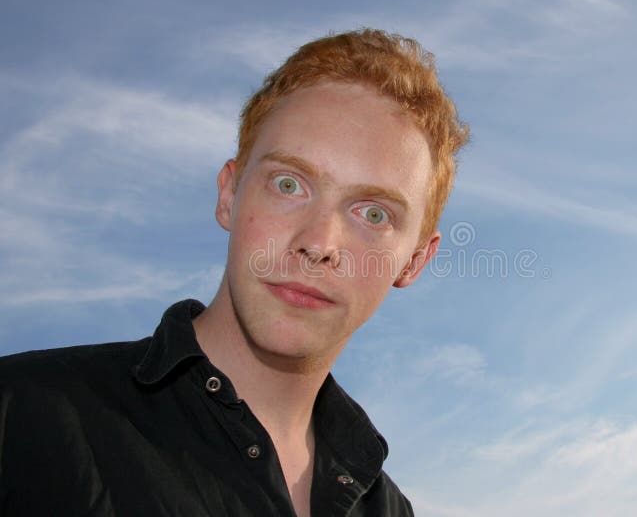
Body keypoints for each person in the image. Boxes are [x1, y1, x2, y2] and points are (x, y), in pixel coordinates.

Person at [0, 28, 468, 516]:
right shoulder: (20, 421)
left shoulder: (391, 510)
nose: (319, 244)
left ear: (415, 260)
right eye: (290, 184)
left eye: (373, 214)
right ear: (229, 194)